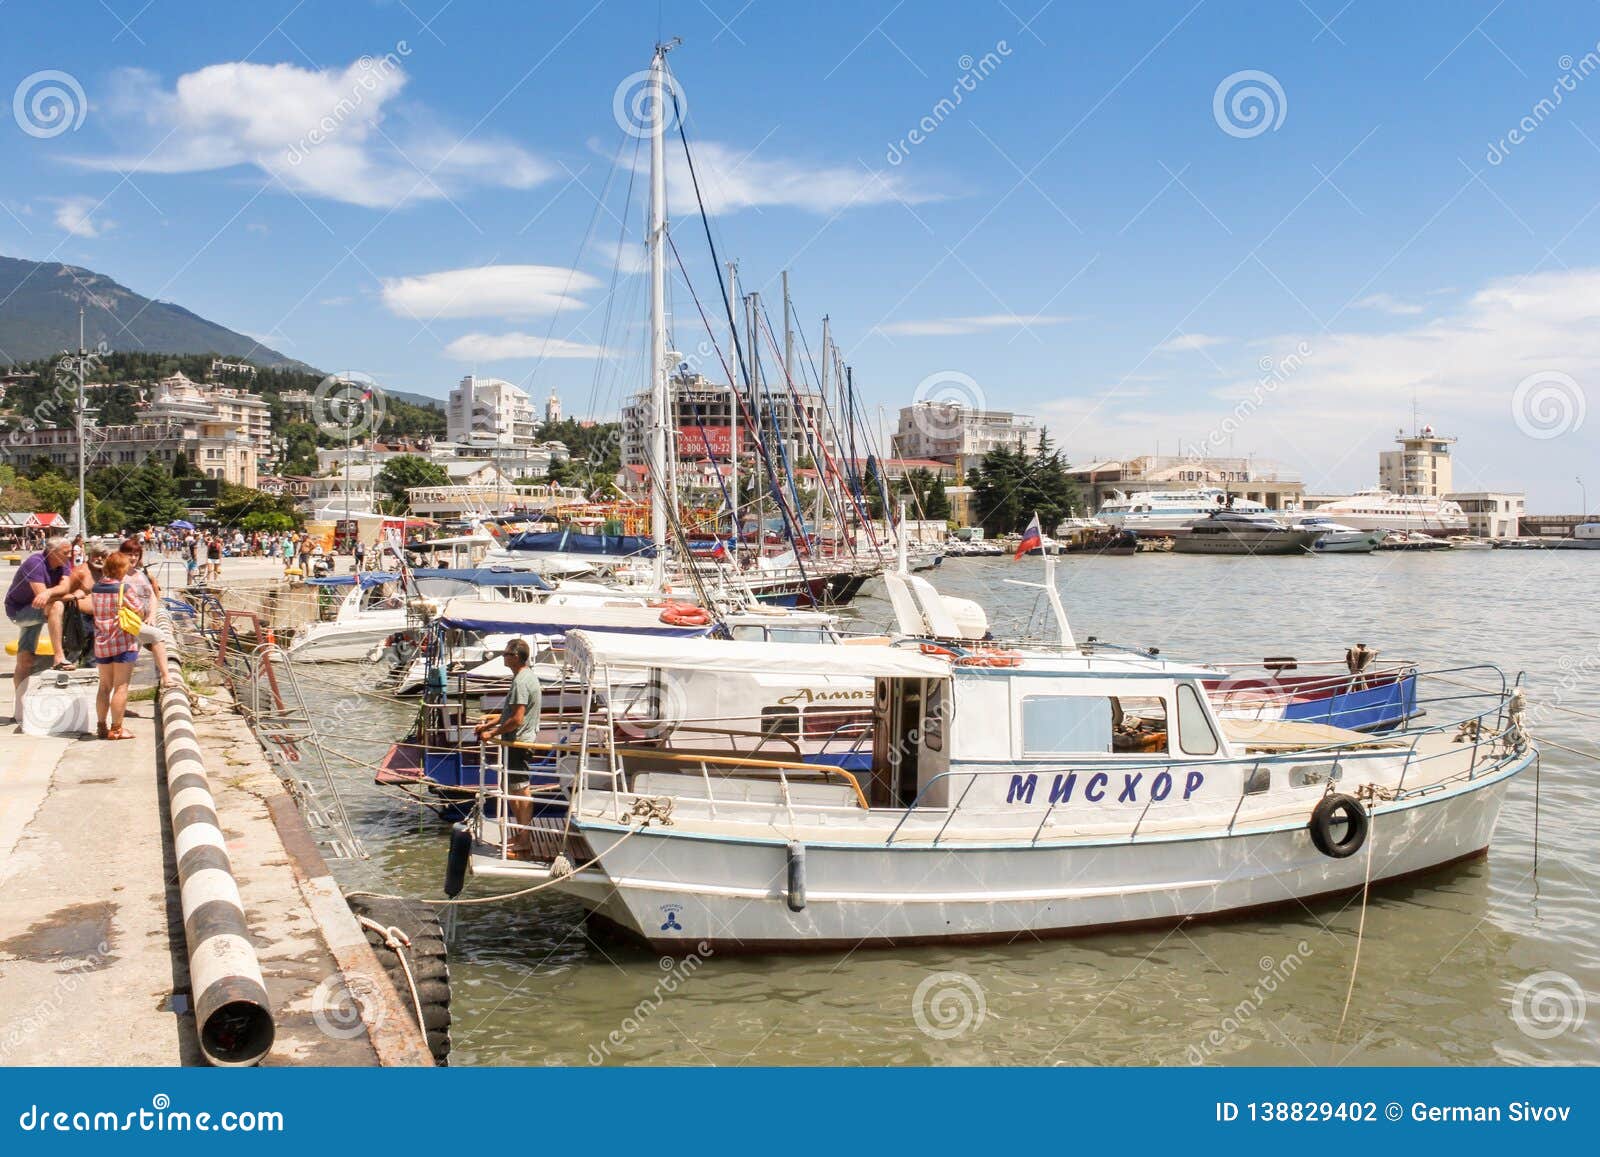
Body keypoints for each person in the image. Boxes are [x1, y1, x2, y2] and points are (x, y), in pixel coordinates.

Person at [474, 638, 541, 857]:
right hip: (518, 741)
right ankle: (522, 835)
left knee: (520, 790)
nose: (503, 657)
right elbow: (508, 715)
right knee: (515, 789)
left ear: (515, 656)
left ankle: (524, 840)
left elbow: (517, 719)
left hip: (518, 742)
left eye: (505, 654)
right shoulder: (525, 677)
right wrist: (488, 724)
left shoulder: (521, 681)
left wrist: (491, 733)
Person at [4, 534, 75, 723]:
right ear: (52, 552)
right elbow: (41, 598)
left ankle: (18, 712)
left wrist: (53, 592)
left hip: (36, 611)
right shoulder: (34, 563)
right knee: (57, 606)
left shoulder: (63, 563)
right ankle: (59, 657)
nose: (70, 555)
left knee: (25, 660)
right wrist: (59, 596)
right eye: (66, 552)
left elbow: (64, 586)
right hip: (19, 611)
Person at [91, 550, 146, 740]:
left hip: (101, 643)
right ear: (122, 569)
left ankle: (101, 726)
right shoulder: (124, 588)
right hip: (122, 642)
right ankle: (116, 729)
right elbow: (140, 610)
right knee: (121, 686)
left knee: (104, 686)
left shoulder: (96, 588)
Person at [121, 537, 176, 688]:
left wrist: (152, 614)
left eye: (136, 554)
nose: (133, 558)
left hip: (141, 621)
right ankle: (166, 677)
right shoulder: (118, 575)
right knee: (157, 636)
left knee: (129, 662)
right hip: (127, 623)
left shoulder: (140, 574)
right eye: (129, 554)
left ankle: (121, 705)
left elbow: (152, 595)